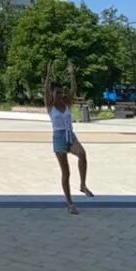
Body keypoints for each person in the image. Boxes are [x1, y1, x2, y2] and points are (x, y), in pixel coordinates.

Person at [43, 62, 94, 214]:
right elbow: (45, 90)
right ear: (52, 94)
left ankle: (83, 185)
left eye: (60, 93)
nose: (59, 95)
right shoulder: (50, 107)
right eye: (56, 93)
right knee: (66, 172)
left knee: (82, 154)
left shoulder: (67, 104)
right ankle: (70, 203)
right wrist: (48, 75)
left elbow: (74, 89)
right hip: (58, 137)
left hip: (70, 134)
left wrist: (72, 74)